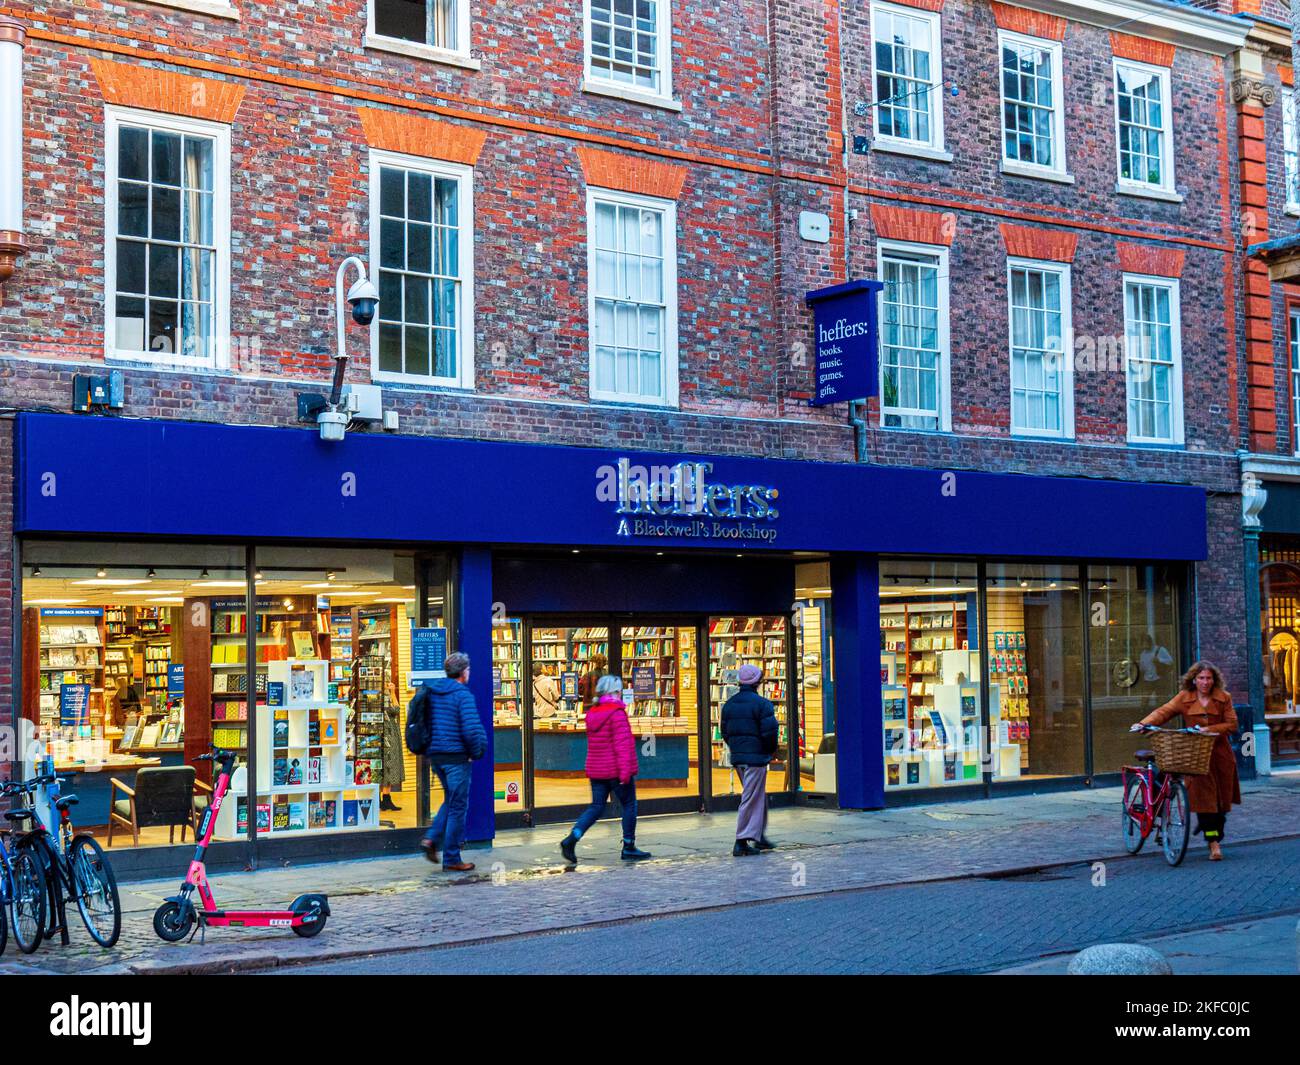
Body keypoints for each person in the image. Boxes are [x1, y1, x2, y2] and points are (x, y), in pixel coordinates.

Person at [1132, 660, 1241, 861]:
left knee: (1221, 804)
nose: (1205, 682)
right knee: (1205, 802)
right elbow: (1163, 712)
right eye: (1201, 678)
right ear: (1193, 679)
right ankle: (1213, 844)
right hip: (1195, 756)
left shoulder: (1224, 698)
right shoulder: (1185, 697)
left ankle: (1215, 833)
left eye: (1209, 678)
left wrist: (1210, 730)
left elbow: (1232, 724)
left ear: (1214, 679)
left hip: (1220, 756)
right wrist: (1143, 724)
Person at [559, 674, 651, 864]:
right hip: (616, 770)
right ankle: (629, 845)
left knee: (596, 807)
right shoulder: (617, 713)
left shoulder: (593, 713)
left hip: (597, 769)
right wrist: (625, 772)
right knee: (629, 804)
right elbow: (622, 744)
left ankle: (572, 838)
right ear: (616, 692)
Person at [421, 652, 487, 872]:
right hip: (457, 757)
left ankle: (430, 839)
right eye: (468, 669)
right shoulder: (462, 694)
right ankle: (451, 857)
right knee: (458, 806)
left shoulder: (433, 691)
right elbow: (470, 729)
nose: (469, 673)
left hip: (436, 756)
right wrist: (475, 752)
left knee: (450, 799)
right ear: (462, 671)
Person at [721, 663, 778, 856]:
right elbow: (770, 733)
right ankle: (742, 840)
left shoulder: (729, 705)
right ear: (758, 682)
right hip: (756, 758)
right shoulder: (763, 705)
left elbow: (725, 732)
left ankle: (759, 836)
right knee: (751, 797)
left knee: (756, 795)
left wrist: (736, 749)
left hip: (739, 757)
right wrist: (769, 751)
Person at [380, 681, 406, 812]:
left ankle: (386, 798)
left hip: (386, 734)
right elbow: (396, 709)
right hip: (389, 735)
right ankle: (386, 799)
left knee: (386, 768)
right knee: (389, 766)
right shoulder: (384, 698)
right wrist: (393, 692)